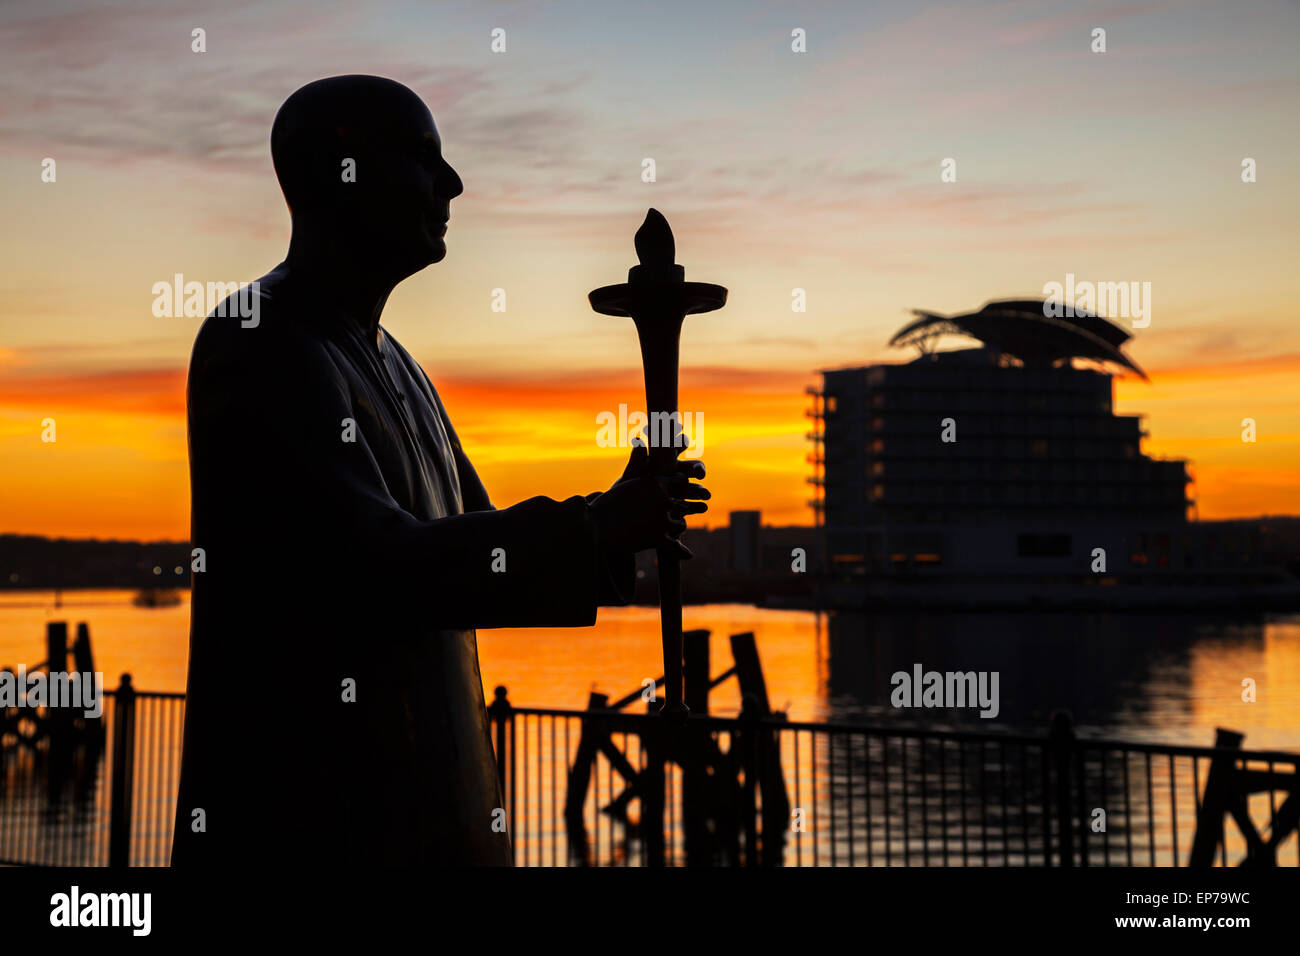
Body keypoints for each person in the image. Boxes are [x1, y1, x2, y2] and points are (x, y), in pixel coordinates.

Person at [171, 75, 708, 866]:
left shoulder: (404, 370)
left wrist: (618, 511)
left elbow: (473, 553)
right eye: (425, 158)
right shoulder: (258, 342)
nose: (452, 183)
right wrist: (593, 525)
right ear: (340, 171)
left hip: (436, 823)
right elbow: (369, 567)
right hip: (322, 833)